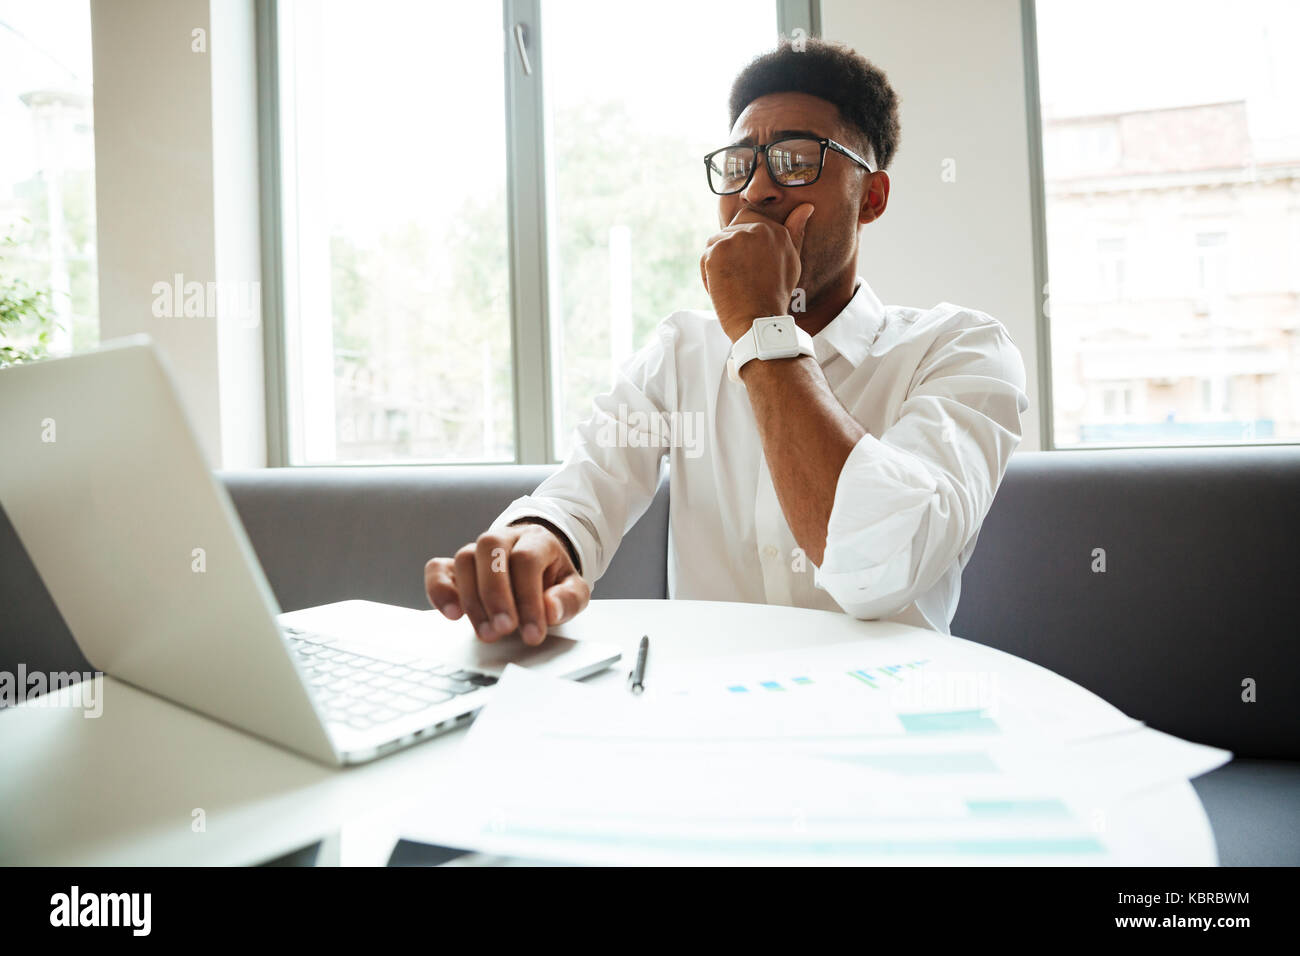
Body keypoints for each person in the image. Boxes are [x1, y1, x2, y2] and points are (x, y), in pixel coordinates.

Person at [425, 37, 1028, 645]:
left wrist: (764, 329)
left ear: (870, 197)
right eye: (739, 165)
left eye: (796, 160)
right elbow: (585, 489)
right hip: (703, 714)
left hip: (885, 720)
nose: (756, 191)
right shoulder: (681, 351)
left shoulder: (962, 351)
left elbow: (882, 567)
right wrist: (538, 540)